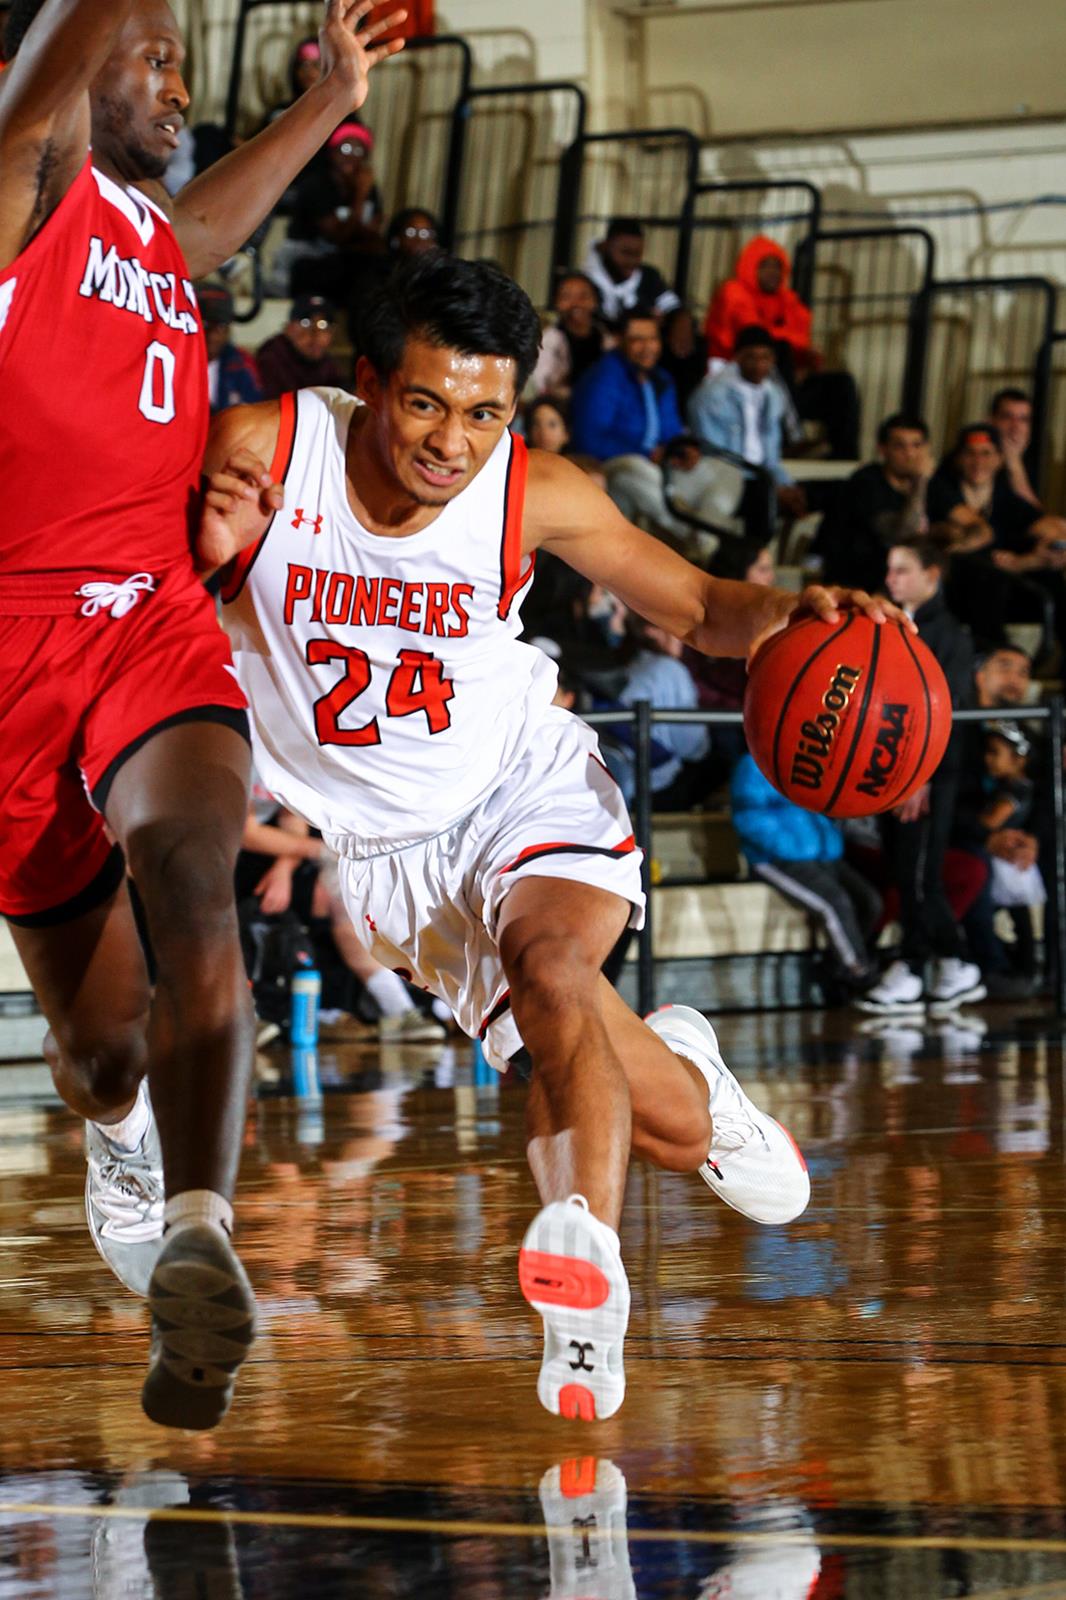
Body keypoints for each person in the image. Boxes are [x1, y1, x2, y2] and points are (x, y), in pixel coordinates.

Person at [199, 252, 909, 1421]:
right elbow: (136, 582)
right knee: (667, 1119)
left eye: (484, 412)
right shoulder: (265, 453)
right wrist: (208, 555)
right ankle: (691, 1077)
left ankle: (582, 1285)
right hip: (391, 857)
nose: (451, 441)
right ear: (371, 382)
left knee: (553, 971)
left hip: (522, 781)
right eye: (426, 403)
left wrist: (796, 614)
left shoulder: (536, 491)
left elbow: (691, 604)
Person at [0, 0, 404, 1431]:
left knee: (200, 891)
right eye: (151, 54)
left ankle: (200, 1229)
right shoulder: (15, 197)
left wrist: (331, 96)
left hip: (155, 621)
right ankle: (119, 1134)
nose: (179, 81)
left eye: (180, 55)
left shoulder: (147, 238)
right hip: (13, 650)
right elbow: (42, 91)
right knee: (100, 1038)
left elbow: (209, 230)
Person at [858, 540, 985, 1015]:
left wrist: (921, 776)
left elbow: (944, 712)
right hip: (895, 770)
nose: (891, 579)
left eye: (903, 571)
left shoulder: (949, 634)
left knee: (919, 874)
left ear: (933, 575)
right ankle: (943, 963)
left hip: (930, 772)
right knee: (908, 871)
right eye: (889, 570)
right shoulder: (890, 627)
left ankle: (929, 962)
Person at [730, 750, 881, 1000]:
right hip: (777, 859)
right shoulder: (752, 766)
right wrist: (790, 847)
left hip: (822, 853)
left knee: (870, 901)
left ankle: (837, 968)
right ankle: (859, 974)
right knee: (833, 904)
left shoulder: (806, 762)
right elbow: (749, 817)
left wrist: (823, 841)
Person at [703, 235, 859, 459]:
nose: (773, 272)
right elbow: (754, 335)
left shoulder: (788, 300)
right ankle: (790, 437)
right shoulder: (734, 291)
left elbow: (802, 342)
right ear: (749, 267)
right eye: (764, 265)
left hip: (784, 382)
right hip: (735, 376)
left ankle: (844, 453)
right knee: (777, 350)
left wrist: (805, 362)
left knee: (841, 384)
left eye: (778, 266)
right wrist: (791, 346)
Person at [688, 324, 806, 539]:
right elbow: (716, 455)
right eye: (752, 357)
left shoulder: (773, 394)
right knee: (763, 494)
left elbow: (770, 459)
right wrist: (772, 487)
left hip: (759, 478)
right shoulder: (712, 395)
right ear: (738, 358)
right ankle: (751, 560)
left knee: (808, 494)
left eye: (766, 357)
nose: (760, 364)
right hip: (723, 475)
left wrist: (786, 486)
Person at [814, 412, 932, 595]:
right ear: (882, 449)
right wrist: (920, 483)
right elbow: (904, 532)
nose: (910, 454)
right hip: (856, 583)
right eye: (900, 446)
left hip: (896, 581)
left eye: (917, 445)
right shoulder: (866, 482)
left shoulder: (933, 485)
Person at [581, 216, 680, 329]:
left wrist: (676, 319)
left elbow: (672, 307)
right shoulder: (586, 281)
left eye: (638, 254)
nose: (632, 261)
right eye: (626, 253)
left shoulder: (648, 276)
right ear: (605, 247)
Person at [529, 270, 608, 399]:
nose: (575, 303)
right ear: (556, 303)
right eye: (566, 297)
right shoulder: (549, 340)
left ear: (595, 301)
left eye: (583, 297)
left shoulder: (604, 337)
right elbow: (543, 386)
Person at [256, 295, 346, 398]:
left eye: (323, 325)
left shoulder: (328, 367)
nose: (316, 333)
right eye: (306, 323)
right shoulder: (271, 359)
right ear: (288, 328)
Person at [197, 282, 262, 414]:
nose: (212, 333)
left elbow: (254, 413)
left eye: (220, 326)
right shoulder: (171, 361)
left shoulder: (241, 364)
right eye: (204, 324)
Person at [989, 387, 1041, 509]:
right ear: (991, 421)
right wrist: (1013, 460)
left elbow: (1036, 516)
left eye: (1023, 419)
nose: (1016, 427)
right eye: (1007, 417)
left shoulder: (1037, 460)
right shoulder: (976, 457)